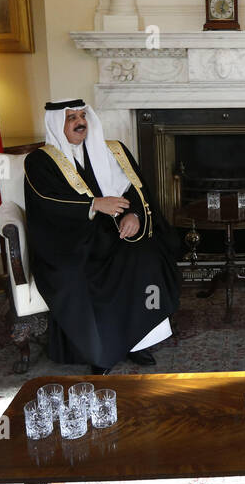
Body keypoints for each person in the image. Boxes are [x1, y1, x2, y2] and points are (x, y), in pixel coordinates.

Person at [24, 98, 181, 374]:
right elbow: (47, 204)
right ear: (55, 122)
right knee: (89, 273)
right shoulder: (39, 161)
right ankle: (100, 351)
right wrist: (94, 204)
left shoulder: (113, 151)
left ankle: (139, 340)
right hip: (69, 242)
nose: (79, 122)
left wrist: (135, 215)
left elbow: (138, 190)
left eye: (82, 115)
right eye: (71, 117)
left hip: (117, 230)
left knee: (147, 255)